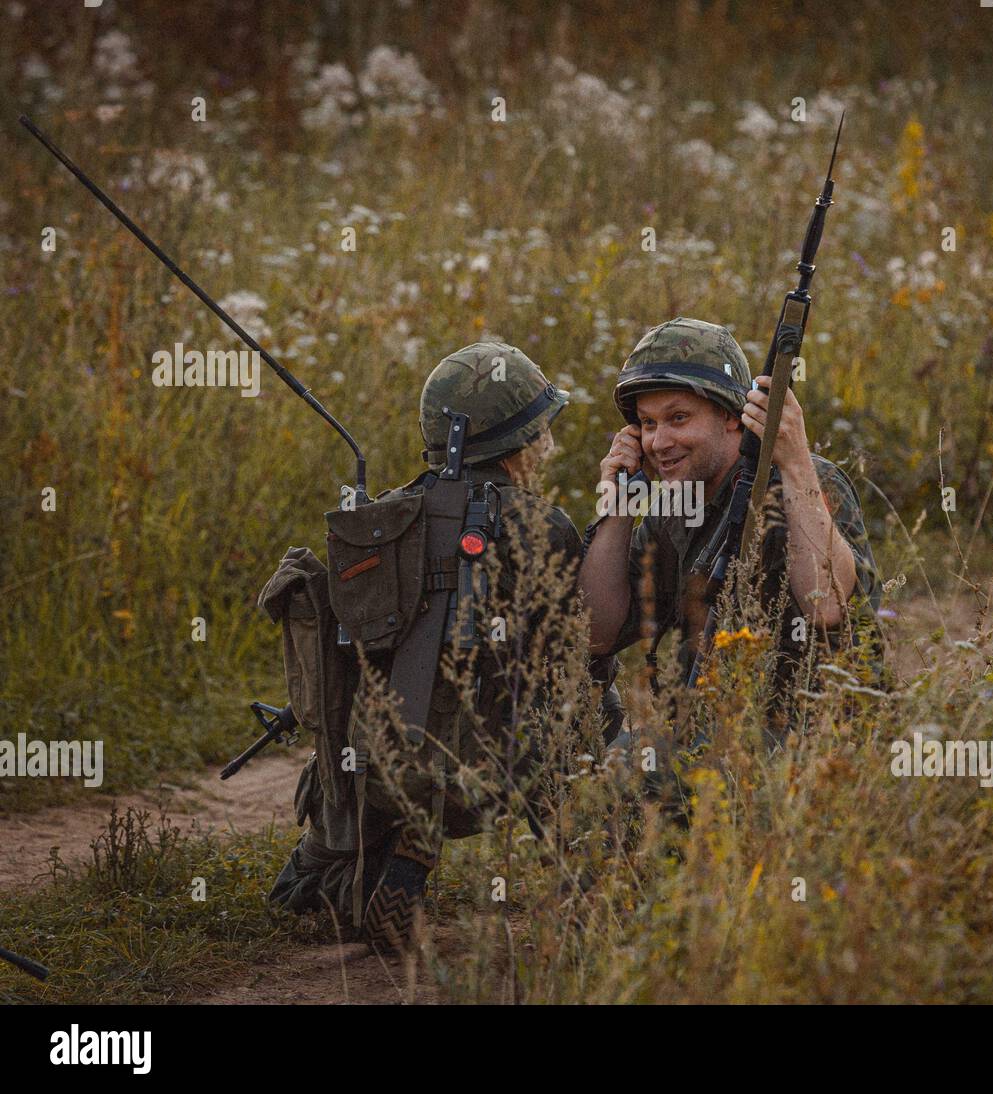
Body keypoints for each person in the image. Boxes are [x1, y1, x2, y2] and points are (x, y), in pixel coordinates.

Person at [266, 341, 587, 953]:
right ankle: (580, 887)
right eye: (545, 432)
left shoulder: (382, 519)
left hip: (370, 771)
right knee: (579, 712)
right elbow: (574, 653)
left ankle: (368, 873)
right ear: (518, 444)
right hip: (488, 778)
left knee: (407, 742)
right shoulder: (544, 526)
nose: (551, 445)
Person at [580, 317, 881, 748]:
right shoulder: (673, 505)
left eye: (678, 418)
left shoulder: (804, 482)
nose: (659, 442)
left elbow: (828, 606)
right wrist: (618, 507)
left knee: (620, 775)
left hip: (816, 741)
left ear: (732, 418)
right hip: (709, 739)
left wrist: (796, 462)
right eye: (647, 424)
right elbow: (595, 633)